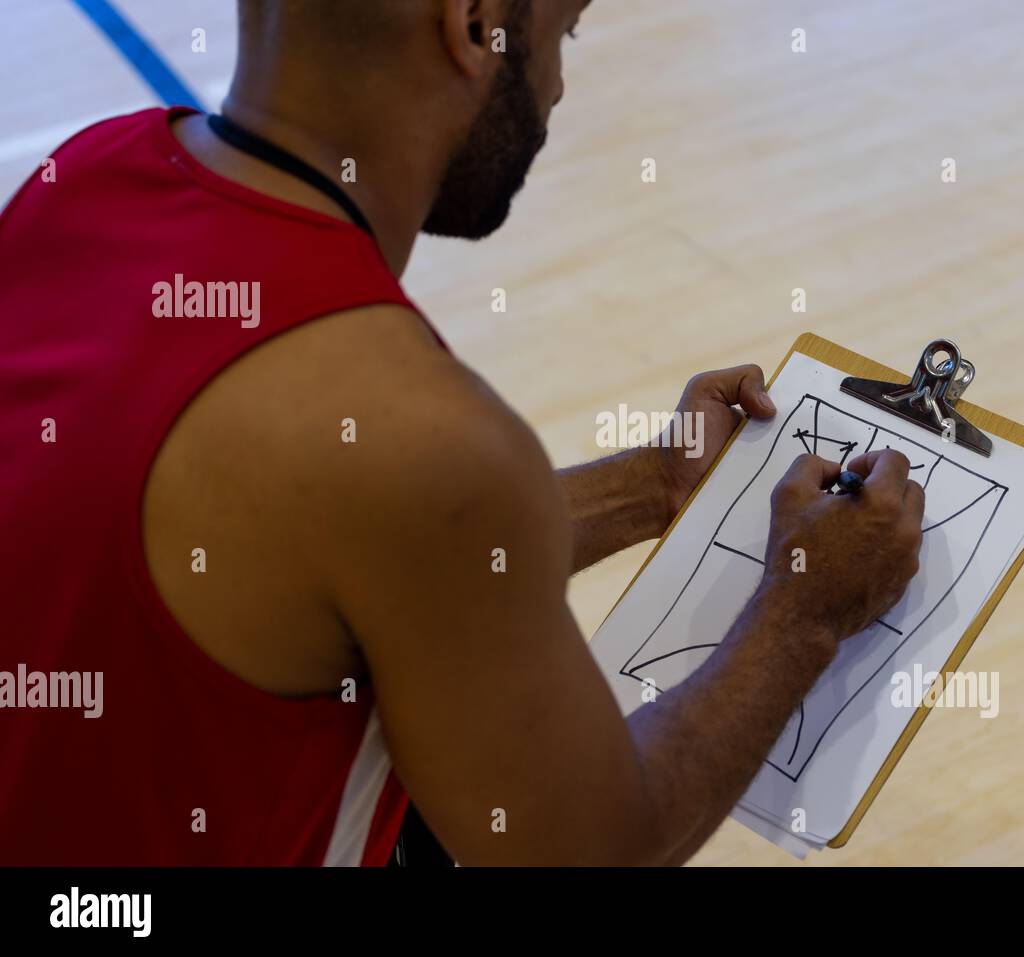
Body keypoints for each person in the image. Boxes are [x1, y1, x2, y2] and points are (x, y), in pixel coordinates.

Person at [0, 0, 923, 865]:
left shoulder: (76, 180)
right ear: (477, 25)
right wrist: (806, 613)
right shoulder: (418, 433)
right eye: (564, 34)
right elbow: (596, 839)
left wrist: (656, 485)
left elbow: (348, 553)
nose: (557, 86)